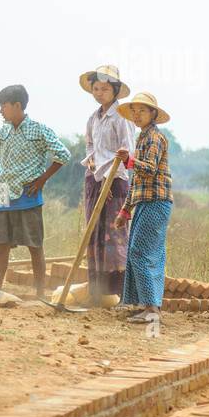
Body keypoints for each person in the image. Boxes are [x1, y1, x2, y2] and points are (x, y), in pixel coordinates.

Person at [0, 85, 72, 298]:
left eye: (3, 106)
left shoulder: (38, 129)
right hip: (4, 193)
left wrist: (42, 180)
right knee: (1, 245)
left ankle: (40, 293)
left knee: (34, 245)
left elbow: (63, 154)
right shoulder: (3, 131)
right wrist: (0, 176)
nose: (0, 111)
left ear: (16, 105)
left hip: (28, 193)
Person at [112, 91, 174, 324]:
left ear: (153, 114)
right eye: (134, 111)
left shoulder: (155, 138)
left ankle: (151, 310)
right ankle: (147, 305)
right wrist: (125, 211)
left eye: (142, 111)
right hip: (146, 203)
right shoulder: (142, 138)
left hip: (156, 203)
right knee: (144, 253)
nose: (137, 115)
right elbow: (137, 181)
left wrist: (129, 160)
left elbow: (148, 169)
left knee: (141, 253)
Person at [78, 65, 136, 305]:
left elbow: (129, 149)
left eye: (104, 89)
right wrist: (92, 162)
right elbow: (89, 146)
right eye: (95, 89)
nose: (99, 93)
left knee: (115, 236)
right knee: (95, 234)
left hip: (115, 182)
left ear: (114, 91)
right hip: (94, 180)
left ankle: (123, 294)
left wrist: (114, 170)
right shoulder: (93, 118)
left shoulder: (122, 117)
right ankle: (98, 293)